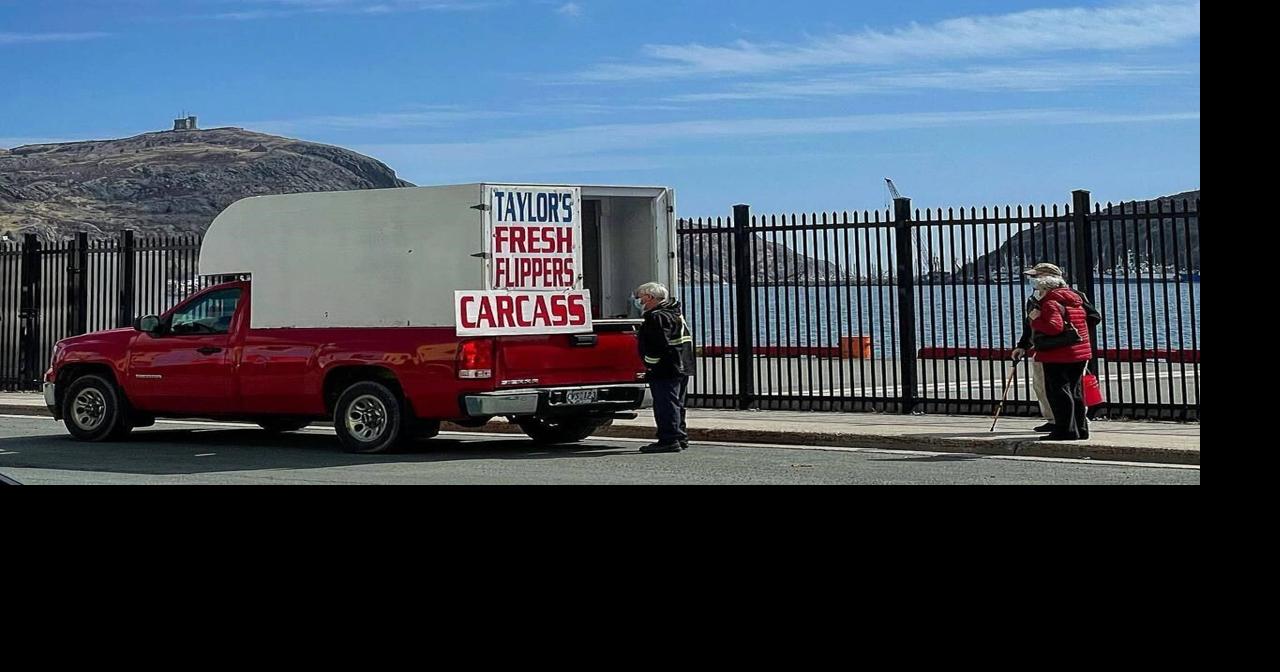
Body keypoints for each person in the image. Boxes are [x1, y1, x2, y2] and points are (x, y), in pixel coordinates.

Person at [1028, 268, 1100, 441]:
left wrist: (1036, 319)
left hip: (1058, 354)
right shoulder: (1075, 300)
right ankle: (1081, 428)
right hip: (1080, 352)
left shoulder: (1051, 302)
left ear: (1046, 288)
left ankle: (1064, 429)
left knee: (1059, 392)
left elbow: (1054, 327)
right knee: (1075, 391)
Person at [633, 282, 695, 453]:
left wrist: (649, 364)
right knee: (677, 404)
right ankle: (680, 437)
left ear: (650, 297)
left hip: (665, 368)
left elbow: (658, 345)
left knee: (665, 405)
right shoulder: (674, 313)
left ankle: (669, 439)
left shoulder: (656, 317)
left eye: (640, 297)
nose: (638, 300)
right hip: (681, 365)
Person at [1012, 263, 1061, 432]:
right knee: (1040, 385)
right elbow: (1029, 325)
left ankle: (1074, 418)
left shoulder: (1070, 296)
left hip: (1063, 348)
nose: (1032, 280)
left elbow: (1091, 317)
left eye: (1036, 276)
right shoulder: (1033, 299)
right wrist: (1023, 345)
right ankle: (1052, 418)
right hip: (1041, 347)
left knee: (1066, 387)